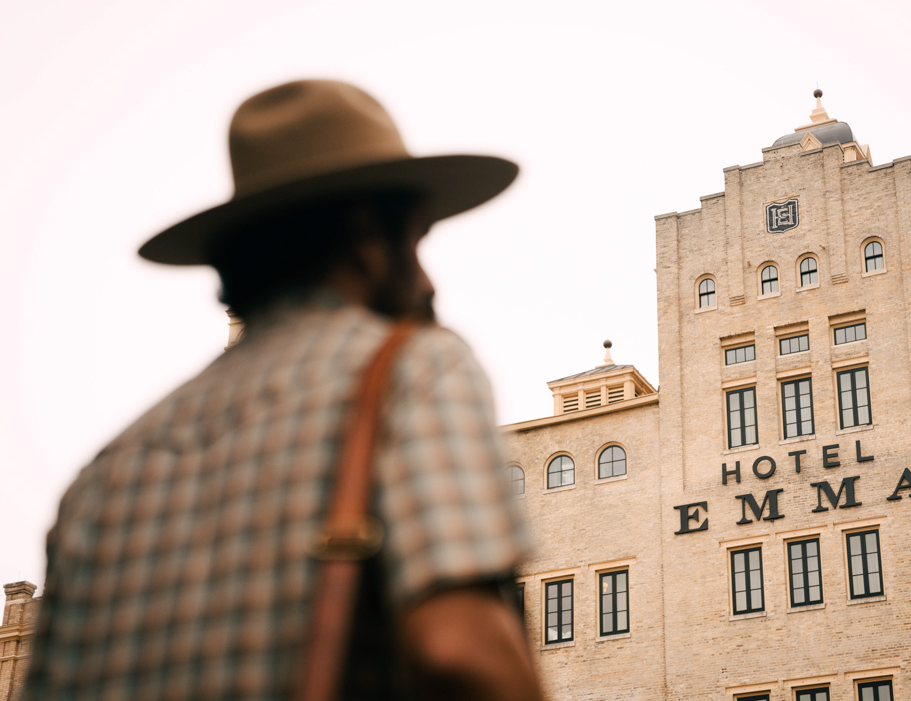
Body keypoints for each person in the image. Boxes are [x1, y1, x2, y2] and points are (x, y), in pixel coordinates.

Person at [24, 80, 543, 701]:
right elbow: (461, 650)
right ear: (365, 237)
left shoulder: (100, 482)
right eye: (414, 240)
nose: (427, 279)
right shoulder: (413, 369)